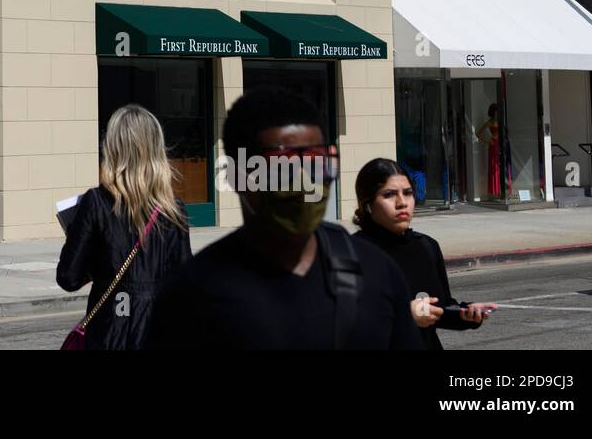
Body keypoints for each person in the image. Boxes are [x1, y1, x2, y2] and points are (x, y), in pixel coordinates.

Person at [147, 87, 421, 350]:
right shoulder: (192, 295)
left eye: (315, 161)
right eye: (282, 163)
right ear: (237, 176)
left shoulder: (377, 273)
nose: (303, 181)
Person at [56, 104, 191, 349]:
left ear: (112, 148)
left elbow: (68, 277)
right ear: (156, 150)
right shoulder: (174, 210)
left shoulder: (95, 202)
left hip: (108, 330)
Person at [352, 158, 496, 350]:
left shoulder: (426, 247)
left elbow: (439, 309)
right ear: (367, 204)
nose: (402, 203)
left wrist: (465, 314)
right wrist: (404, 316)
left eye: (408, 193)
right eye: (389, 195)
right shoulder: (351, 252)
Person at [476, 104, 501, 199]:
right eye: (495, 111)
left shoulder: (500, 121)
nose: (497, 113)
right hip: (494, 145)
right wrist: (487, 141)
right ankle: (494, 192)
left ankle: (499, 190)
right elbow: (478, 133)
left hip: (499, 144)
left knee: (499, 167)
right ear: (493, 112)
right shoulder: (489, 122)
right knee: (494, 167)